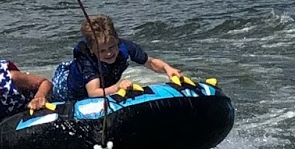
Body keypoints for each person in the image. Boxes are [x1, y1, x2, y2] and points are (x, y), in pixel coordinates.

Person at [31, 15, 182, 110]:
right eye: (102, 51)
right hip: (67, 88)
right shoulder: (87, 61)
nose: (109, 53)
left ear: (117, 40)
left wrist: (168, 69)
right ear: (92, 50)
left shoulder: (125, 47)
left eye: (112, 47)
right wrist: (117, 87)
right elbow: (93, 92)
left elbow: (150, 62)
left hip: (103, 82)